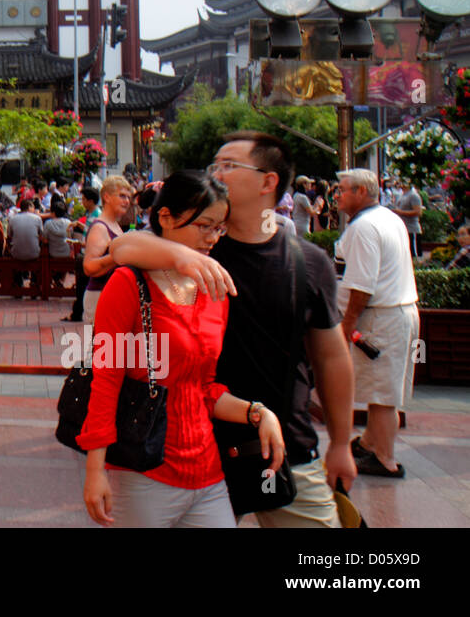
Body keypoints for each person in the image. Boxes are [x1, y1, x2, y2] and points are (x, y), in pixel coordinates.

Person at [109, 131, 357, 526]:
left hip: (283, 447)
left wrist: (342, 443)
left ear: (268, 181)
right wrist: (180, 255)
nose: (217, 173)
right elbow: (121, 249)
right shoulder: (198, 246)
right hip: (199, 447)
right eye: (214, 165)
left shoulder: (308, 262)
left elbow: (331, 356)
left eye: (229, 165)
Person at [80, 171, 286, 528]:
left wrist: (257, 412)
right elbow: (106, 383)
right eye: (204, 225)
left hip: (207, 473)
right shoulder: (129, 284)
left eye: (219, 228)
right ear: (166, 218)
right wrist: (95, 470)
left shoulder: (212, 290)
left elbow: (204, 389)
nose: (211, 238)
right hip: (145, 475)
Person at [335, 169, 420, 478]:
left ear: (360, 192)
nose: (336, 195)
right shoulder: (388, 218)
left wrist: (347, 324)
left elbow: (362, 286)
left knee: (383, 395)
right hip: (398, 313)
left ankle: (384, 458)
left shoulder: (364, 227)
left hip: (383, 317)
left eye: (341, 190)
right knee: (383, 389)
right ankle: (371, 442)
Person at [71, 175, 132, 325]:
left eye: (128, 197)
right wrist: (118, 256)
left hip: (111, 295)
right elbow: (89, 266)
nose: (127, 201)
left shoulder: (114, 225)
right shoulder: (100, 227)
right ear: (107, 197)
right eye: (122, 196)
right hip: (100, 296)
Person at [7, 197, 43, 293]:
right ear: (29, 207)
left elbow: (9, 235)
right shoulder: (37, 218)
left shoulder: (13, 219)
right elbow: (42, 235)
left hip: (17, 253)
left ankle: (18, 283)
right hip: (34, 253)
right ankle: (34, 283)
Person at [389, 178, 423, 257]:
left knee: (414, 254)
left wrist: (400, 212)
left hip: (412, 229)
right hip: (403, 229)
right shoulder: (402, 195)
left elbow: (418, 212)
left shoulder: (414, 196)